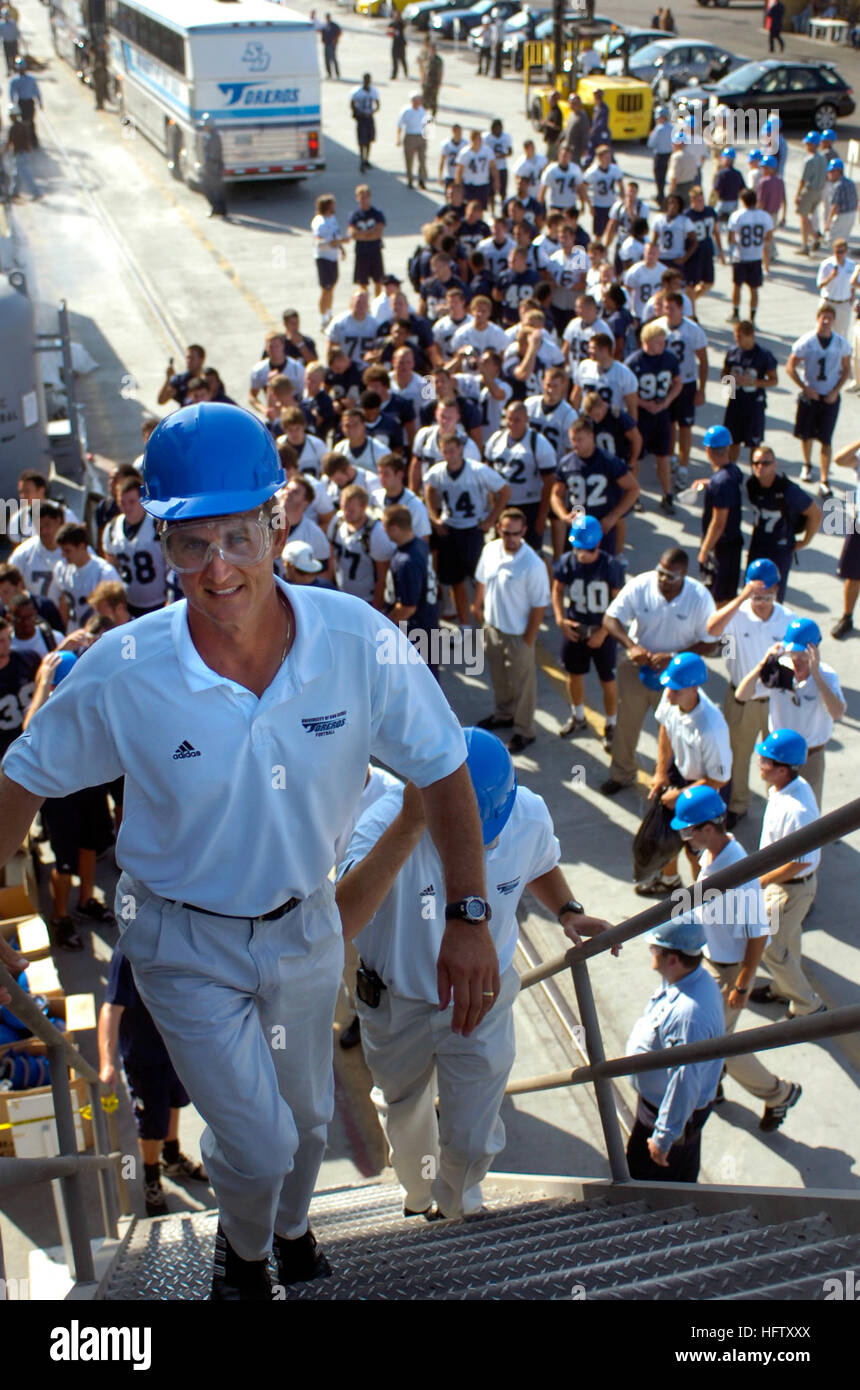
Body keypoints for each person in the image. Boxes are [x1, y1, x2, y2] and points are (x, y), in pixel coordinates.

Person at [0, 402, 499, 1300]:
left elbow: (445, 764)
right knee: (262, 1140)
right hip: (183, 942)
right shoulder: (126, 670)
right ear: (161, 544)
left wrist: (467, 915)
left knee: (308, 1124)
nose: (219, 568)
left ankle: (293, 1233)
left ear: (278, 522)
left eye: (239, 536)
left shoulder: (358, 643)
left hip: (305, 927)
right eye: (192, 544)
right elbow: (22, 772)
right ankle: (241, 1260)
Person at [336, 729, 613, 1217]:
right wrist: (408, 825)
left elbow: (539, 864)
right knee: (404, 1114)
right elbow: (340, 921)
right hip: (397, 1005)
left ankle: (458, 1205)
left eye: (486, 835)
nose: (474, 848)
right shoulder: (383, 824)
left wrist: (568, 910)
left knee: (474, 1132)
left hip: (482, 998)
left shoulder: (526, 813)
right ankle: (419, 1194)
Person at [668, 786, 802, 1130]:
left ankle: (777, 1093)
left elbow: (758, 933)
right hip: (713, 962)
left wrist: (743, 984)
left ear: (708, 829)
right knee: (713, 1040)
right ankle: (716, 1083)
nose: (686, 837)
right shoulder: (712, 856)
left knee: (715, 1043)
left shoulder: (739, 874)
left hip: (728, 972)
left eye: (688, 831)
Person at [99, 946, 210, 1216]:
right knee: (152, 1122)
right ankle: (151, 1177)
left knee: (174, 1101)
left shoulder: (182, 938)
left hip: (176, 1049)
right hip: (144, 1057)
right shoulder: (129, 951)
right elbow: (111, 1008)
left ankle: (171, 1157)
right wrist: (107, 1063)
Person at [601, 549, 715, 796]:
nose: (663, 579)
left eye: (671, 576)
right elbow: (610, 619)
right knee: (627, 723)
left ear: (684, 574)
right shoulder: (641, 585)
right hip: (638, 667)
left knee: (677, 729)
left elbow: (711, 641)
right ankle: (622, 774)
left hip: (678, 675)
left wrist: (674, 657)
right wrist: (632, 647)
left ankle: (672, 780)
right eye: (661, 572)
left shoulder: (700, 597)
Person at [625, 918, 724, 1182]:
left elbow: (684, 1082)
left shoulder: (688, 1016)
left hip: (667, 1114)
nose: (650, 952)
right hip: (660, 1104)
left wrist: (664, 1137)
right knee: (678, 1171)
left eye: (655, 948)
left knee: (648, 1178)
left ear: (673, 959)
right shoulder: (689, 979)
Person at [705, 559, 793, 828]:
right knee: (738, 757)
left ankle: (778, 804)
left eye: (766, 597)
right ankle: (738, 804)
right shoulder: (738, 614)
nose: (762, 603)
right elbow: (711, 630)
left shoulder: (788, 619)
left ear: (776, 591)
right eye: (756, 597)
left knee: (780, 759)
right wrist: (742, 597)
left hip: (777, 700)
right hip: (742, 699)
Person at [637, 651, 731, 897]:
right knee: (667, 833)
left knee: (695, 849)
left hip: (704, 789)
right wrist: (660, 773)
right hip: (679, 774)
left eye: (675, 689)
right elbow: (665, 730)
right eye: (668, 687)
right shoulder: (672, 698)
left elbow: (719, 779)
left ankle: (700, 896)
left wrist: (679, 795)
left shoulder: (711, 727)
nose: (668, 694)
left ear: (694, 688)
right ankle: (670, 879)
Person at [749, 730, 825, 1019]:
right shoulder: (789, 786)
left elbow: (801, 862)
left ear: (782, 769)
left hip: (790, 888)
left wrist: (763, 880)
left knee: (770, 946)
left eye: (765, 760)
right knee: (788, 941)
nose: (759, 762)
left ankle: (808, 1005)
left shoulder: (797, 810)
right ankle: (784, 989)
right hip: (787, 886)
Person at [735, 617, 845, 810]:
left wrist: (816, 676)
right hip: (778, 755)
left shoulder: (827, 676)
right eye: (792, 654)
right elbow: (741, 695)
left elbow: (837, 713)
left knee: (808, 811)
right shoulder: (780, 671)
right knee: (778, 806)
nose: (797, 662)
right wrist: (762, 665)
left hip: (810, 756)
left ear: (814, 651)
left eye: (803, 656)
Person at [472, 507, 550, 755]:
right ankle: (504, 714)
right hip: (493, 627)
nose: (511, 538)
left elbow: (540, 605)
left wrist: (528, 640)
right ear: (499, 530)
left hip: (518, 635)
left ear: (524, 531)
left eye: (516, 533)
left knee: (523, 685)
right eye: (507, 533)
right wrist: (478, 605)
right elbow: (482, 579)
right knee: (499, 677)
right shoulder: (490, 550)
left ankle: (525, 730)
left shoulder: (532, 564)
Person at [552, 513, 625, 747]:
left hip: (602, 629)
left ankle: (612, 723)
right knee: (573, 674)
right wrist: (560, 619)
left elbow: (619, 604)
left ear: (599, 544)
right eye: (579, 548)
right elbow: (557, 590)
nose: (582, 554)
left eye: (588, 549)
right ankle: (578, 715)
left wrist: (603, 632)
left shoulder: (611, 566)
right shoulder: (567, 561)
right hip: (576, 626)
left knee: (608, 679)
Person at [424, 432, 510, 626]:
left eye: (452, 450)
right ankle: (464, 623)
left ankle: (489, 617)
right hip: (450, 528)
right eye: (445, 451)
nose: (449, 455)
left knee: (480, 578)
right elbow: (429, 488)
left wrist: (490, 519)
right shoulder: (437, 472)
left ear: (461, 450)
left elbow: (505, 490)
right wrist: (434, 517)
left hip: (472, 529)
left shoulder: (478, 470)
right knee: (455, 581)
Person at [551, 413, 639, 558]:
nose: (575, 444)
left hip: (601, 526)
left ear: (591, 437)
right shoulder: (566, 463)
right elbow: (555, 494)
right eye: (573, 440)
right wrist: (563, 515)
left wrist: (613, 516)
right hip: (578, 527)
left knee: (603, 570)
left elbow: (633, 489)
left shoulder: (608, 461)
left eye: (580, 440)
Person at [786, 301, 851, 498]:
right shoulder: (807, 341)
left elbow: (847, 368)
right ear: (817, 319)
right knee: (806, 435)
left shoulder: (840, 343)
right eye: (823, 318)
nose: (825, 322)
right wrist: (805, 387)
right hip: (811, 395)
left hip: (829, 396)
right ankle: (807, 465)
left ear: (833, 321)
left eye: (829, 319)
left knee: (826, 438)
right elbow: (790, 366)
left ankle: (824, 478)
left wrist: (836, 390)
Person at [745, 444, 819, 601]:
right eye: (756, 463)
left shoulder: (787, 490)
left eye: (766, 463)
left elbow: (816, 513)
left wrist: (806, 541)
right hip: (758, 544)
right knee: (752, 591)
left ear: (775, 464)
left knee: (773, 597)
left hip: (779, 548)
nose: (760, 467)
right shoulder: (752, 485)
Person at [624, 320, 682, 516]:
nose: (662, 346)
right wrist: (643, 403)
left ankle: (667, 494)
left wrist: (667, 401)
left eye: (663, 342)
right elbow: (627, 392)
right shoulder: (634, 362)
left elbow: (678, 382)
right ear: (645, 342)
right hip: (641, 415)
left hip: (662, 414)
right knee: (636, 457)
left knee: (663, 455)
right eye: (658, 342)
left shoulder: (670, 359)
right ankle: (635, 496)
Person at [482, 400, 557, 551]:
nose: (512, 423)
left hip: (529, 505)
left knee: (531, 551)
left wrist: (542, 516)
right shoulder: (496, 439)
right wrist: (494, 506)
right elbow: (489, 476)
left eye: (517, 420)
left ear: (526, 419)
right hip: (503, 505)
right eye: (509, 419)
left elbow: (549, 483)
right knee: (503, 549)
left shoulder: (539, 443)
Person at [694, 424, 743, 602]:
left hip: (722, 548)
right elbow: (726, 480)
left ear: (708, 450)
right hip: (733, 543)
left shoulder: (720, 484)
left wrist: (705, 550)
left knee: (718, 597)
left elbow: (718, 523)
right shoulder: (732, 472)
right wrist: (709, 483)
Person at [721, 320, 778, 463]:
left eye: (740, 337)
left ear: (751, 336)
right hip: (735, 402)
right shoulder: (732, 353)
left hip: (754, 404)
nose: (737, 340)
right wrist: (732, 378)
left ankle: (756, 475)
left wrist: (753, 382)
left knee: (754, 444)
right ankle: (731, 472)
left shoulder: (763, 355)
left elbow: (774, 380)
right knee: (732, 442)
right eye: (736, 336)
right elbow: (723, 375)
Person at [54, 524, 122, 631]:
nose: (63, 555)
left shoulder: (104, 572)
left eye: (67, 550)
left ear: (81, 546)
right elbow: (64, 604)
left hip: (98, 635)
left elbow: (117, 612)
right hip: (74, 634)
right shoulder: (61, 568)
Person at [727, 188, 773, 325]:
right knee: (754, 289)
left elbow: (731, 238)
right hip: (756, 257)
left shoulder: (737, 216)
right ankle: (752, 318)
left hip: (740, 256)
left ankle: (735, 313)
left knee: (737, 286)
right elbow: (769, 237)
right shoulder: (765, 216)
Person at [348, 184, 386, 294]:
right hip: (361, 252)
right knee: (362, 282)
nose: (363, 200)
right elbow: (352, 234)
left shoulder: (377, 214)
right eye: (361, 197)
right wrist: (369, 233)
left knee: (378, 280)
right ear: (357, 198)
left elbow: (378, 233)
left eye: (365, 197)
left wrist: (362, 234)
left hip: (375, 250)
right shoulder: (354, 215)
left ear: (370, 197)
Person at [816, 238, 855, 343]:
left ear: (846, 252)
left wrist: (851, 299)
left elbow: (853, 284)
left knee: (842, 333)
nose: (839, 254)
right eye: (836, 252)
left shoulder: (851, 265)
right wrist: (831, 277)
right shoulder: (827, 264)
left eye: (841, 252)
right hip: (828, 302)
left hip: (843, 303)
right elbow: (819, 285)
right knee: (823, 331)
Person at [795, 132, 826, 256]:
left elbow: (803, 180)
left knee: (804, 217)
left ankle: (806, 244)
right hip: (819, 191)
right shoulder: (823, 158)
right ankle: (814, 237)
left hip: (809, 191)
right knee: (810, 216)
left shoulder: (809, 160)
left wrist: (797, 194)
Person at [4, 104, 37, 201]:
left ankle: (36, 192)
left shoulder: (14, 128)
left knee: (24, 173)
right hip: (23, 153)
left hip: (20, 153)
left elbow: (9, 143)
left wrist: (3, 153)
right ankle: (14, 192)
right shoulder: (23, 126)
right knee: (17, 174)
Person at [396, 93, 429, 191]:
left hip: (420, 136)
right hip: (410, 136)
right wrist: (398, 138)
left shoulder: (422, 110)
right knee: (409, 159)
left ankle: (421, 180)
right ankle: (410, 179)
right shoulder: (406, 111)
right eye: (418, 100)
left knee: (422, 159)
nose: (420, 102)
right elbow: (400, 125)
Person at [198, 115, 227, 220]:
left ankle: (217, 209)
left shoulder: (214, 137)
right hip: (213, 167)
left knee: (211, 188)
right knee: (216, 189)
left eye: (205, 126)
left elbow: (213, 155)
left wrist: (208, 168)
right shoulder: (211, 136)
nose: (204, 128)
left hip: (213, 167)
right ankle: (219, 210)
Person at [824, 158, 858, 248]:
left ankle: (838, 260)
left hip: (843, 216)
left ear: (838, 171)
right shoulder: (850, 182)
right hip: (852, 214)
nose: (829, 174)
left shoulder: (838, 185)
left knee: (835, 241)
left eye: (831, 172)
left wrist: (828, 222)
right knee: (844, 240)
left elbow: (835, 206)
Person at [350, 75, 380, 173]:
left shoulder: (373, 91)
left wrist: (371, 112)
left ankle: (366, 159)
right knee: (361, 140)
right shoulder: (357, 92)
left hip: (369, 117)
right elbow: (352, 104)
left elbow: (378, 104)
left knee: (369, 139)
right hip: (361, 118)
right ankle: (361, 159)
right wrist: (360, 112)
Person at [10, 58, 40, 148]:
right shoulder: (15, 81)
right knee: (24, 122)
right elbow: (12, 92)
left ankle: (33, 140)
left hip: (30, 102)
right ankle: (27, 140)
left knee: (30, 121)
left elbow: (36, 91)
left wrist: (39, 101)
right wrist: (13, 104)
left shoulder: (31, 79)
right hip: (21, 102)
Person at [647, 106, 674, 208]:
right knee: (666, 177)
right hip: (669, 155)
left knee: (659, 178)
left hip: (660, 156)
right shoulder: (672, 128)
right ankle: (662, 196)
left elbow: (651, 144)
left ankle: (661, 197)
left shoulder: (658, 130)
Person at [421, 42, 443, 120]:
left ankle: (433, 116)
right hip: (427, 82)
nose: (432, 51)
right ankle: (423, 115)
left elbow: (441, 72)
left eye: (433, 49)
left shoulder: (439, 60)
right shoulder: (427, 58)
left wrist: (439, 83)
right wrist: (422, 81)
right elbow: (423, 70)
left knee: (434, 99)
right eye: (431, 49)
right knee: (424, 99)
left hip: (434, 82)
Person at [321, 13, 341, 79]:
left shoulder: (334, 25)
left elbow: (339, 32)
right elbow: (322, 32)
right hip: (326, 44)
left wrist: (335, 40)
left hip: (332, 44)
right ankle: (329, 74)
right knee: (326, 59)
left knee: (333, 59)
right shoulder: (325, 25)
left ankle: (337, 74)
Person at [389, 13, 408, 80]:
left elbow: (405, 24)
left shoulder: (401, 23)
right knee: (394, 60)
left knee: (402, 59)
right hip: (395, 43)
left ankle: (406, 72)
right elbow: (388, 30)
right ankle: (394, 74)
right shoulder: (392, 24)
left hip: (401, 44)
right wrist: (390, 31)